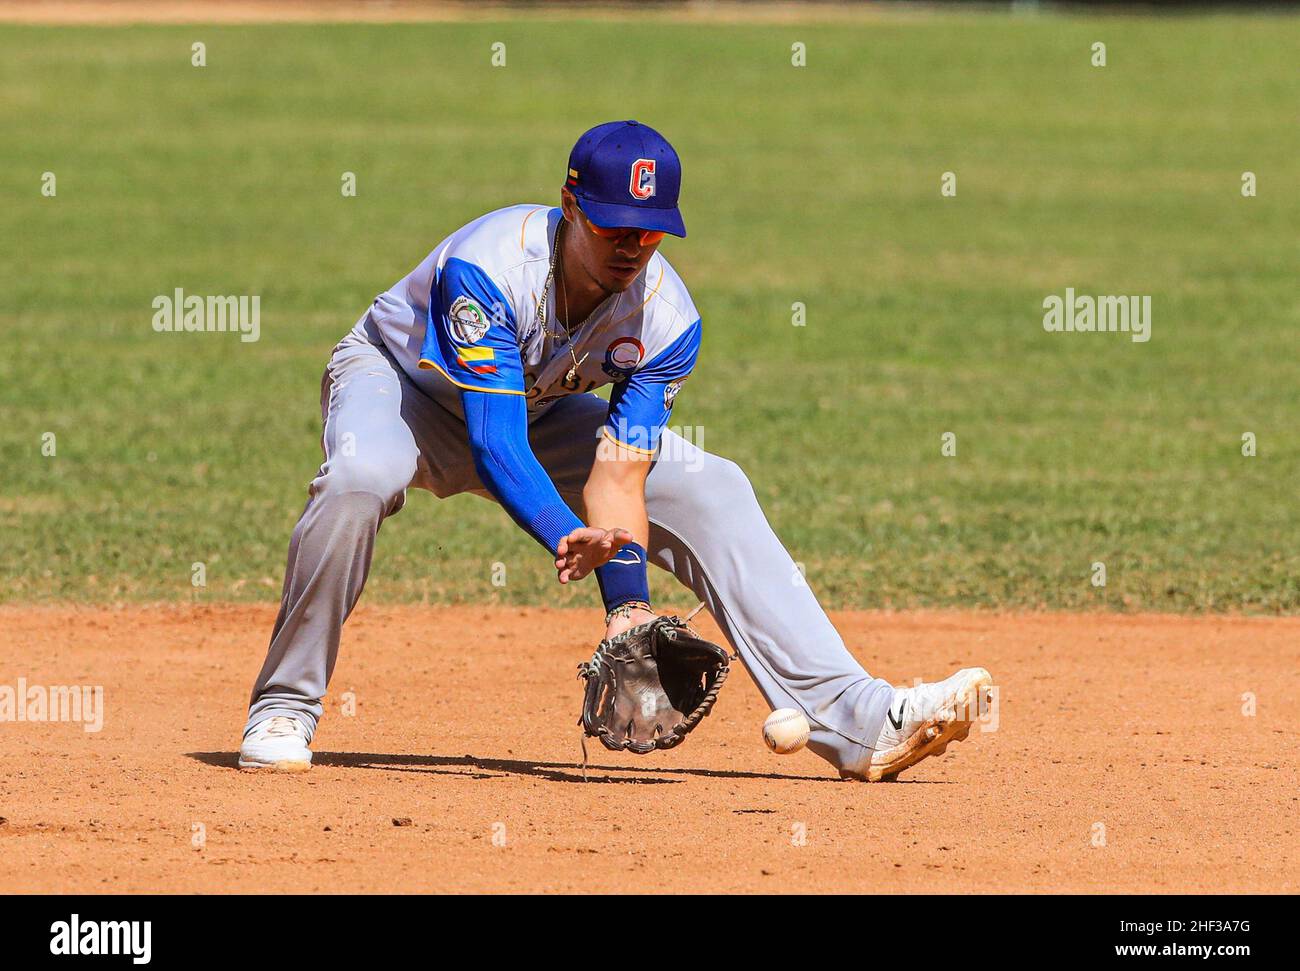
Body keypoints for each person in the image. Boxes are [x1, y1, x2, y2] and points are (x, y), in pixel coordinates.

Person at [238, 120, 992, 781]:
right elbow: (492, 443)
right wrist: (565, 534)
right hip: (403, 389)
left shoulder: (667, 321)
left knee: (712, 487)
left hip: (536, 410)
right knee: (360, 476)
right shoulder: (489, 268)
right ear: (570, 206)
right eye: (613, 226)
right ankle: (282, 708)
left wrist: (627, 608)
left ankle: (861, 722)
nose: (633, 246)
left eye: (651, 227)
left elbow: (619, 469)